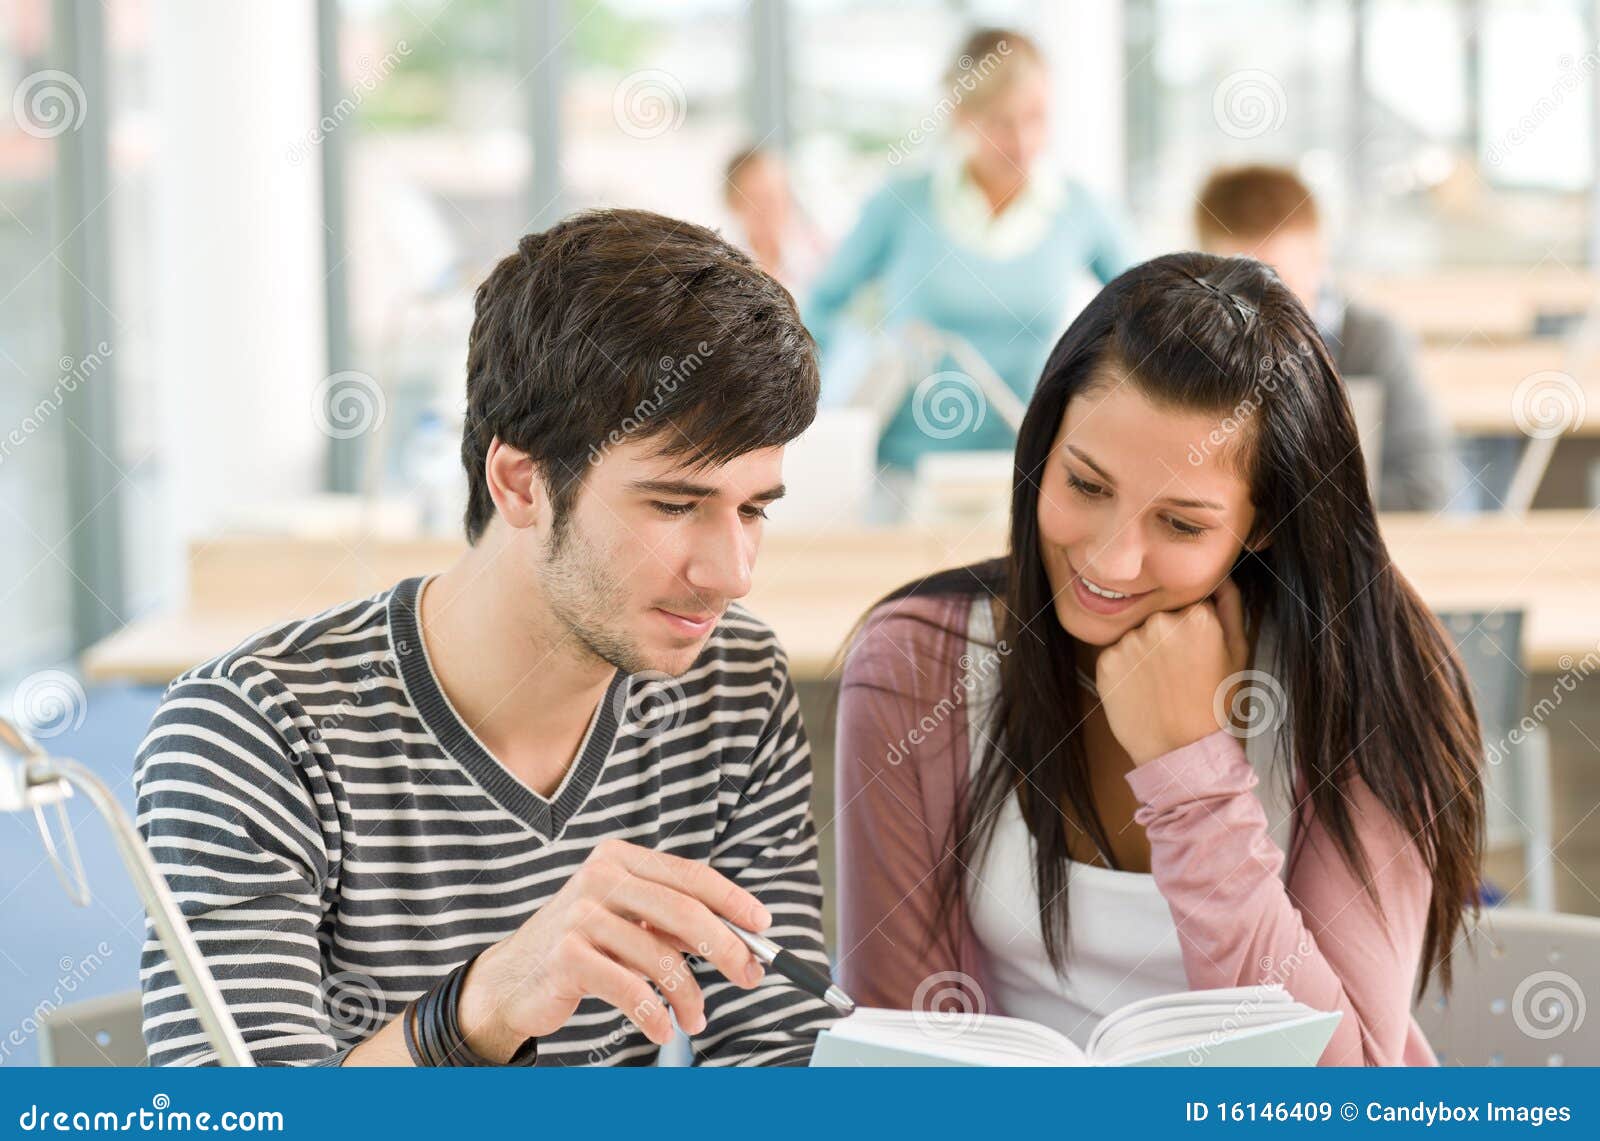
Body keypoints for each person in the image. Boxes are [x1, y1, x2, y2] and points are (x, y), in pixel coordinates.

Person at [135, 209, 831, 1067]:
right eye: (675, 505)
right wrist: (483, 1005)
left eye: (754, 508)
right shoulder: (250, 732)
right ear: (521, 482)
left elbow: (776, 1056)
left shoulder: (733, 680)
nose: (732, 573)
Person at [834, 253, 1485, 1066]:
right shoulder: (916, 665)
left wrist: (1193, 774)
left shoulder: (1373, 682)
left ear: (1266, 522)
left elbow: (1346, 1097)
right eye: (1085, 484)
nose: (1109, 561)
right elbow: (902, 1058)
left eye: (1179, 525)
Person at [805, 27, 1132, 482]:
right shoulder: (902, 203)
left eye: (1036, 117)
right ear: (962, 116)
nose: (1022, 140)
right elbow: (820, 305)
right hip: (903, 467)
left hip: (1027, 463)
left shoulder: (1080, 211)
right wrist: (807, 415)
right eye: (1001, 122)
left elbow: (1149, 312)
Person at [1195, 164, 1456, 512]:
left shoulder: (1372, 341)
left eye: (1277, 283)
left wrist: (1285, 515)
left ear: (1318, 263)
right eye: (1234, 291)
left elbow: (1426, 489)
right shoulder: (1190, 349)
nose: (1258, 310)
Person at [723, 145, 824, 295]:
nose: (770, 209)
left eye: (777, 196)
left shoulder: (817, 252)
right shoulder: (726, 266)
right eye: (757, 198)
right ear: (734, 203)